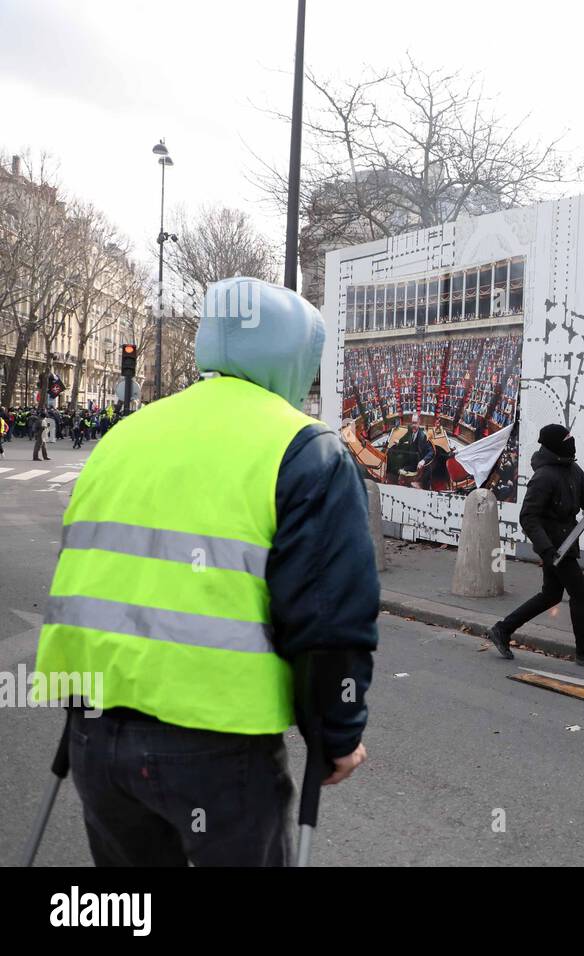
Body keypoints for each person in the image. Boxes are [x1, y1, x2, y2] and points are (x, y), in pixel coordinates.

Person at [31, 276, 379, 867]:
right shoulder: (303, 448)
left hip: (95, 735)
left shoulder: (124, 437)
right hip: (217, 746)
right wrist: (337, 734)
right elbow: (327, 619)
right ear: (296, 356)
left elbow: (94, 574)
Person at [485, 424, 584, 668]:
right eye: (567, 439)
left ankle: (502, 629)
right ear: (555, 445)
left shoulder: (573, 468)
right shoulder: (543, 477)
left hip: (566, 543)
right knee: (581, 592)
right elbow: (528, 517)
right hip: (555, 548)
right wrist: (546, 549)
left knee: (551, 595)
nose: (571, 442)